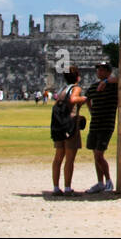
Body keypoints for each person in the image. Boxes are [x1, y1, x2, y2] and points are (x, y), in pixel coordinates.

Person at [49, 66, 85, 196]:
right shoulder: (76, 88)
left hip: (59, 126)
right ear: (77, 77)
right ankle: (68, 187)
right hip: (70, 127)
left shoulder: (62, 89)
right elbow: (73, 99)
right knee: (69, 159)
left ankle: (55, 187)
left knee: (58, 157)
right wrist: (85, 99)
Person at [83, 62, 118, 193]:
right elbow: (87, 99)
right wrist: (91, 111)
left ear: (108, 72)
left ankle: (108, 180)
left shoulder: (113, 86)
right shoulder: (93, 87)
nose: (99, 72)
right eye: (98, 70)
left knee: (99, 155)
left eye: (102, 70)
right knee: (95, 155)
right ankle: (100, 182)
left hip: (106, 124)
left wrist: (107, 81)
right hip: (95, 124)